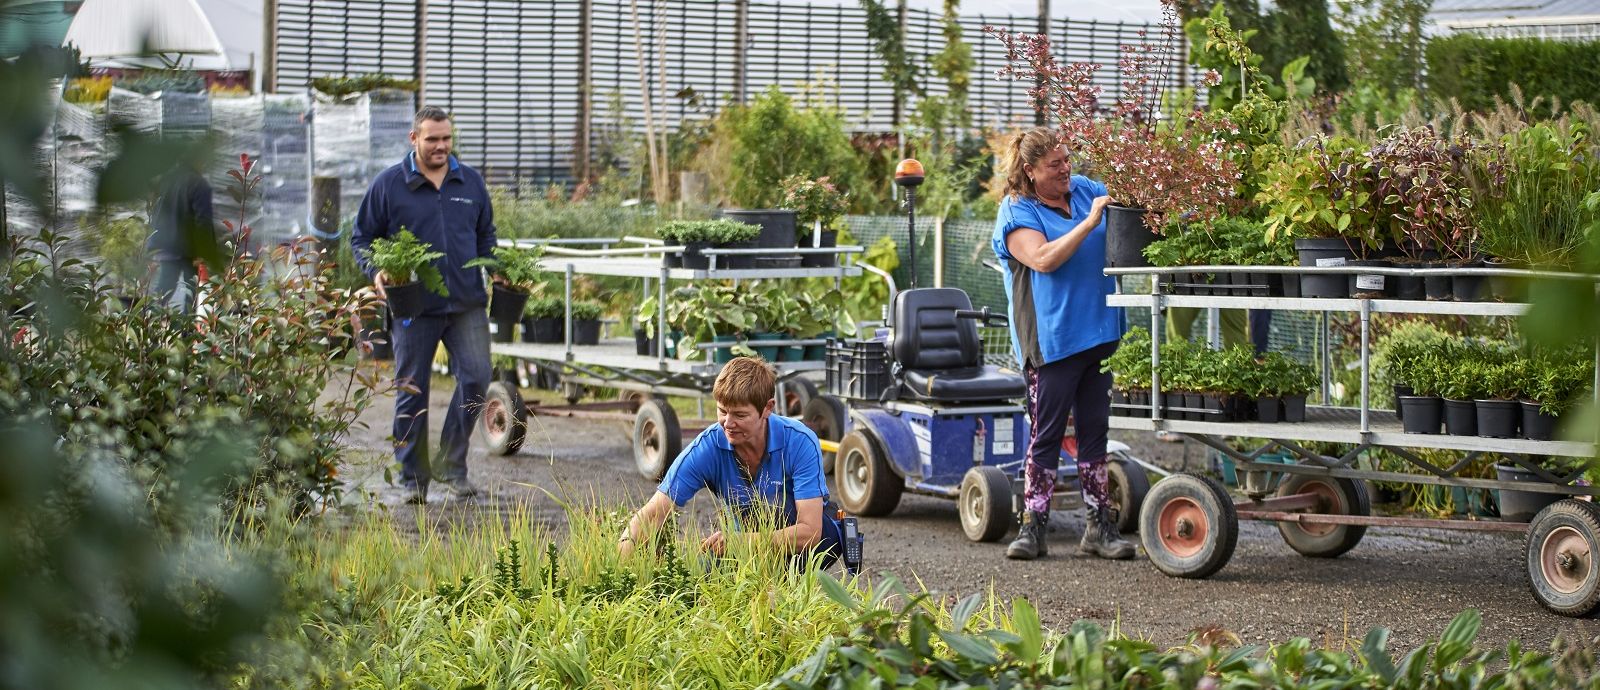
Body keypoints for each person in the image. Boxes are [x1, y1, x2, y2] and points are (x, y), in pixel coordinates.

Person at [990, 127, 1135, 561]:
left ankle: (1099, 527)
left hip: (1100, 333)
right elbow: (1042, 259)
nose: (1065, 169)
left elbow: (1130, 206)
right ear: (1031, 171)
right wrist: (1090, 222)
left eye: (1067, 159)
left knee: (1095, 435)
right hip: (1052, 342)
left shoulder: (1086, 189)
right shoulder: (1018, 211)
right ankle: (1033, 527)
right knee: (1047, 436)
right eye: (1055, 164)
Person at [353, 106, 497, 504]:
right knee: (411, 390)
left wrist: (495, 266)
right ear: (413, 139)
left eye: (446, 138)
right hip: (413, 303)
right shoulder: (389, 186)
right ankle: (412, 478)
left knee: (477, 377)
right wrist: (377, 269)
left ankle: (451, 465)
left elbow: (486, 235)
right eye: (432, 138)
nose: (441, 146)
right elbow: (361, 238)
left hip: (466, 301)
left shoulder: (469, 182)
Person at [618, 357, 843, 569]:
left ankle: (785, 593)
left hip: (796, 539)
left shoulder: (800, 441)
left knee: (804, 526)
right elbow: (654, 512)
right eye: (722, 411)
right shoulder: (707, 447)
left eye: (740, 415)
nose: (728, 423)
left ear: (767, 408)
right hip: (739, 540)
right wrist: (621, 564)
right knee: (702, 574)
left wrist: (742, 542)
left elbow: (811, 532)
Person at [147, 148, 218, 313]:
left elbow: (156, 211)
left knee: (164, 289)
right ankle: (186, 333)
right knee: (191, 291)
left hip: (164, 244)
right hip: (187, 250)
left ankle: (142, 323)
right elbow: (203, 220)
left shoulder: (168, 180)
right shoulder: (199, 184)